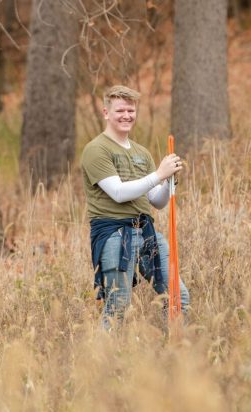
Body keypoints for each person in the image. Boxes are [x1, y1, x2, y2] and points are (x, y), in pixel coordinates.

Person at [81, 85, 189, 327]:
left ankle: (176, 354)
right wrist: (158, 174)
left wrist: (169, 181)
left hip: (146, 230)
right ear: (106, 112)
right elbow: (118, 193)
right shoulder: (96, 150)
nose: (126, 115)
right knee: (117, 305)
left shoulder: (142, 152)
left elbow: (157, 202)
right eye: (120, 110)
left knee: (178, 297)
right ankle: (101, 361)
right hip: (113, 233)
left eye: (131, 110)